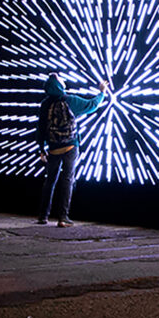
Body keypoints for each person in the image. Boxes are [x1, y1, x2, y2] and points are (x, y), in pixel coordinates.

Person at [36, 73, 110, 226]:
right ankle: (63, 217)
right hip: (70, 146)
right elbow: (92, 105)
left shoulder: (45, 104)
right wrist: (102, 92)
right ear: (58, 85)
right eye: (61, 80)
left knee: (50, 181)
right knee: (67, 180)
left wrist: (41, 149)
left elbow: (41, 128)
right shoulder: (70, 100)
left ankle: (43, 216)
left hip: (53, 149)